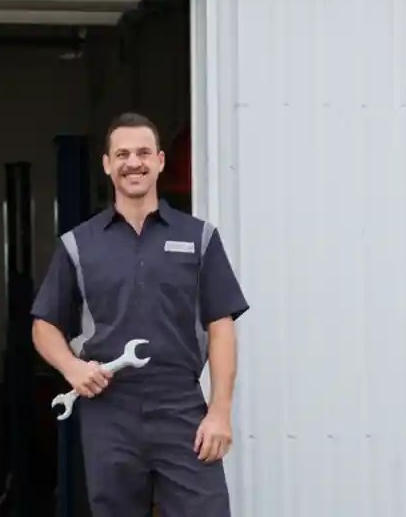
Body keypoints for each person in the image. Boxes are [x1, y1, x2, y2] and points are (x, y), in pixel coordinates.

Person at [31, 112, 249, 516]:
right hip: (109, 410)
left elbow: (221, 328)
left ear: (161, 161)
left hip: (181, 406)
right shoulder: (78, 245)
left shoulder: (198, 238)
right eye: (123, 153)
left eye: (144, 152)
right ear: (107, 164)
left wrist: (219, 413)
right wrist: (72, 369)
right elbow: (43, 325)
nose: (134, 162)